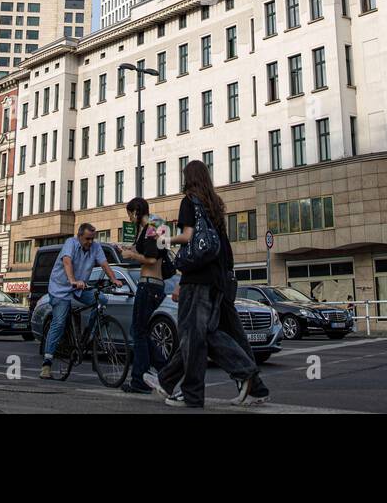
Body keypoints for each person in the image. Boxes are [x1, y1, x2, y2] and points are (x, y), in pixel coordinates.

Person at [149, 161, 267, 407]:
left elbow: (188, 237)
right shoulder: (214, 203)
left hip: (198, 278)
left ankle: (200, 389)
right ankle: (171, 383)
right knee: (204, 334)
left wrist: (165, 239)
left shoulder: (189, 201)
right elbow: (220, 244)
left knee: (195, 336)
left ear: (187, 177)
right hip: (217, 278)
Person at [39, 223, 124, 380]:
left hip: (79, 287)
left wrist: (114, 279)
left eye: (92, 238)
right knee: (59, 322)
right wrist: (72, 280)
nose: (90, 242)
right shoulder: (70, 243)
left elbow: (104, 264)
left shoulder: (95, 247)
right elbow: (67, 261)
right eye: (87, 239)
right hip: (60, 288)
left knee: (102, 300)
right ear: (79, 237)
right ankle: (47, 364)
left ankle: (89, 335)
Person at [119, 197, 167, 393]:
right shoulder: (152, 227)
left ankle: (140, 379)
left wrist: (131, 256)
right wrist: (126, 249)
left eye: (130, 214)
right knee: (142, 332)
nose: (129, 219)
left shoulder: (152, 227)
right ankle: (165, 372)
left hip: (149, 286)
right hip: (152, 286)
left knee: (138, 332)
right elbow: (146, 250)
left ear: (136, 212)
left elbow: (151, 258)